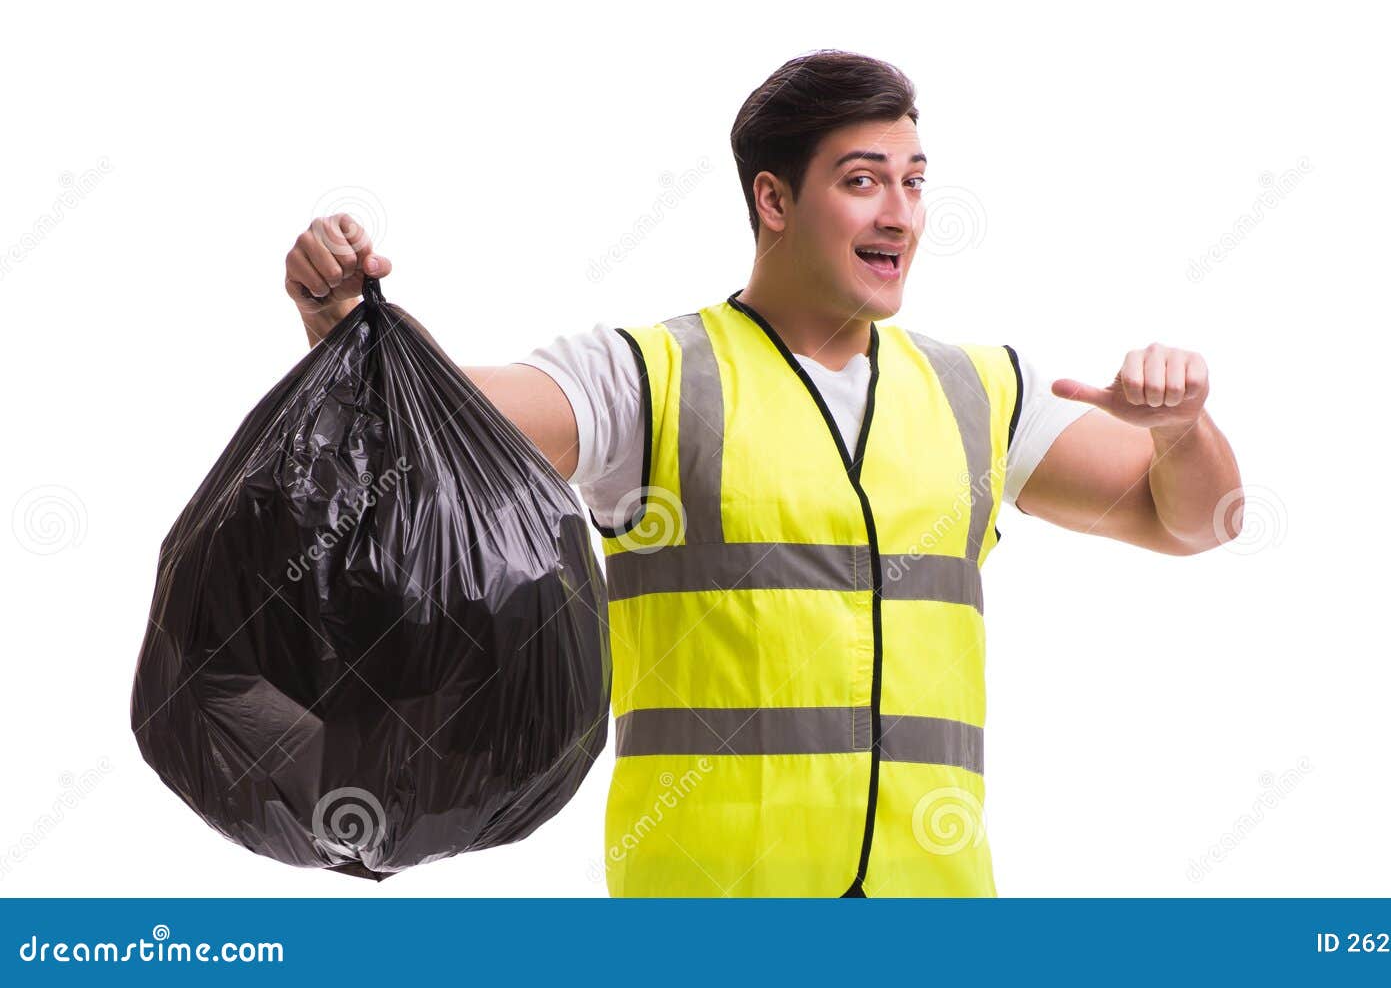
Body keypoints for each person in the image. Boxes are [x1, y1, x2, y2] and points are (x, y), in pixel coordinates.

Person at [282, 50, 1243, 897]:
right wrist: (345, 328)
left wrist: (1182, 430)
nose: (900, 212)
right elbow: (448, 421)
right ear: (773, 200)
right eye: (864, 181)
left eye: (914, 181)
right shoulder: (651, 379)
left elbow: (1194, 520)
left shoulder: (979, 392)